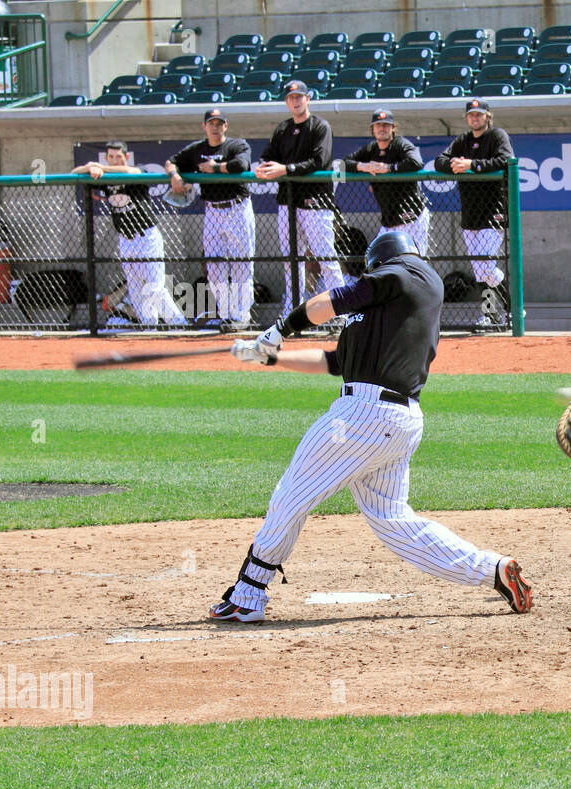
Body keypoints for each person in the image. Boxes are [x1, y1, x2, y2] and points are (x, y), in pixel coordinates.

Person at [208, 230, 532, 623]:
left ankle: (248, 594)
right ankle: (492, 569)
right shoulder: (387, 311)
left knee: (291, 494)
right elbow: (335, 363)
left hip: (363, 416)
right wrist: (270, 357)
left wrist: (279, 329)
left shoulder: (411, 273)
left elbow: (337, 299)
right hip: (389, 420)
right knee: (395, 522)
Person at [72, 141, 188, 330]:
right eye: (110, 157)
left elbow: (133, 173)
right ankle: (149, 327)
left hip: (146, 236)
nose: (114, 160)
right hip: (125, 239)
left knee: (155, 287)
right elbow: (73, 174)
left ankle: (179, 325)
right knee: (136, 289)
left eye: (118, 156)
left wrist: (101, 167)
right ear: (106, 158)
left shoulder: (135, 169)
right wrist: (90, 167)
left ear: (125, 157)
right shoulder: (104, 177)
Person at [255, 79, 342, 317]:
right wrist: (263, 167)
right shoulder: (283, 129)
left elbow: (319, 161)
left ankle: (342, 311)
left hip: (315, 202)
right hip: (287, 203)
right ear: (286, 101)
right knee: (291, 260)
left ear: (307, 99)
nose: (295, 101)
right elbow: (268, 155)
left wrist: (285, 170)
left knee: (325, 257)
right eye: (291, 97)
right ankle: (292, 311)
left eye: (299, 97)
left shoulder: (320, 126)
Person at [166, 107, 255, 331]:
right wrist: (175, 176)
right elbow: (171, 162)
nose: (215, 127)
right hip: (212, 211)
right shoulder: (197, 149)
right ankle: (225, 315)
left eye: (219, 123)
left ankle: (241, 315)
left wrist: (215, 168)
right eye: (211, 123)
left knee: (241, 263)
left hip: (237, 207)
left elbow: (242, 165)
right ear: (204, 126)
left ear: (225, 126)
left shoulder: (236, 145)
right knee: (214, 266)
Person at [434, 97, 513, 330]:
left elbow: (505, 159)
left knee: (487, 266)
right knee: (480, 270)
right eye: (471, 115)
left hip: (493, 210)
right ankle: (491, 314)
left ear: (487, 116)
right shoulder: (463, 140)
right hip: (470, 212)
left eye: (479, 114)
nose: (475, 118)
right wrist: (455, 166)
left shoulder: (497, 136)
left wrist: (472, 164)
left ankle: (513, 309)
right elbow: (440, 161)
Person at [343, 108, 430, 257]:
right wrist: (361, 166)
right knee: (378, 260)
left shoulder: (400, 144)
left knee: (414, 261)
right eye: (378, 125)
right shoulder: (371, 149)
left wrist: (389, 168)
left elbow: (416, 162)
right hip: (388, 221)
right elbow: (341, 164)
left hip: (411, 216)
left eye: (386, 125)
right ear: (373, 129)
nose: (382, 128)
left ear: (393, 128)